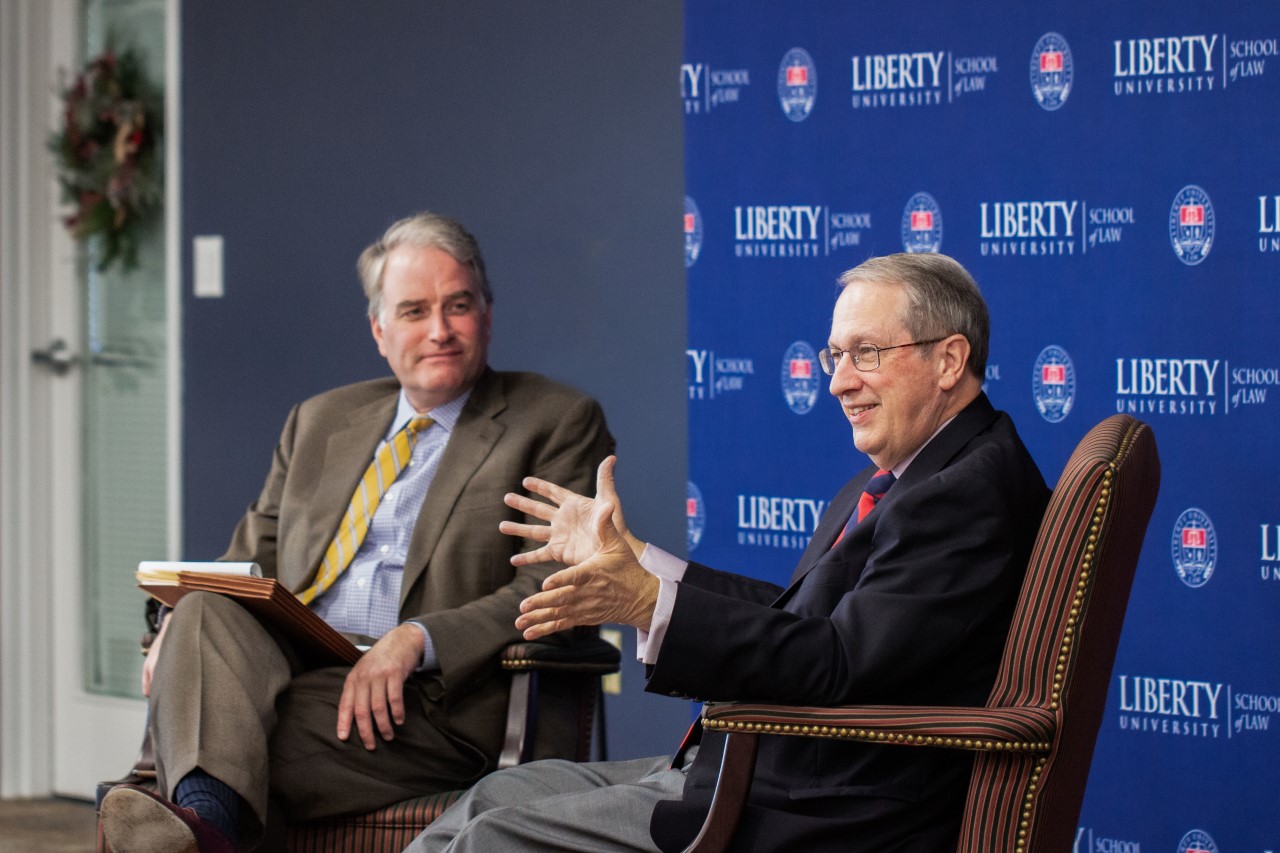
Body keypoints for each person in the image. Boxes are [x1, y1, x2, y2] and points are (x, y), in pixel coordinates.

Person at [406, 252, 1051, 852]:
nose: (838, 384)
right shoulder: (913, 475)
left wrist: (646, 602)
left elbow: (836, 664)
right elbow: (805, 624)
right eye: (835, 356)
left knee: (493, 838)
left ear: (948, 360)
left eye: (867, 353)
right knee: (492, 796)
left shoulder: (964, 494)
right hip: (764, 770)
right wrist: (636, 559)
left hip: (817, 808)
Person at [99, 212, 615, 853]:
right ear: (378, 330)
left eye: (458, 306)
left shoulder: (554, 421)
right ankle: (209, 828)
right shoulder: (319, 420)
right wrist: (178, 623)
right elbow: (245, 564)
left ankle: (196, 822)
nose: (440, 331)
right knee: (203, 609)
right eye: (413, 311)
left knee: (214, 736)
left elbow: (555, 587)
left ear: (488, 312)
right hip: (291, 667)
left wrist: (415, 640)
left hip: (431, 702)